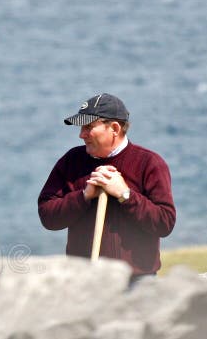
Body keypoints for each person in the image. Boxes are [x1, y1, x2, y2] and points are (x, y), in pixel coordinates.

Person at [37, 93, 176, 282]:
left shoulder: (149, 163)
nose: (81, 135)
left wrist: (125, 195)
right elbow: (48, 217)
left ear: (115, 128)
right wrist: (83, 197)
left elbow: (164, 223)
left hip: (136, 282)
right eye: (81, 128)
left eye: (89, 127)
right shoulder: (71, 161)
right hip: (83, 280)